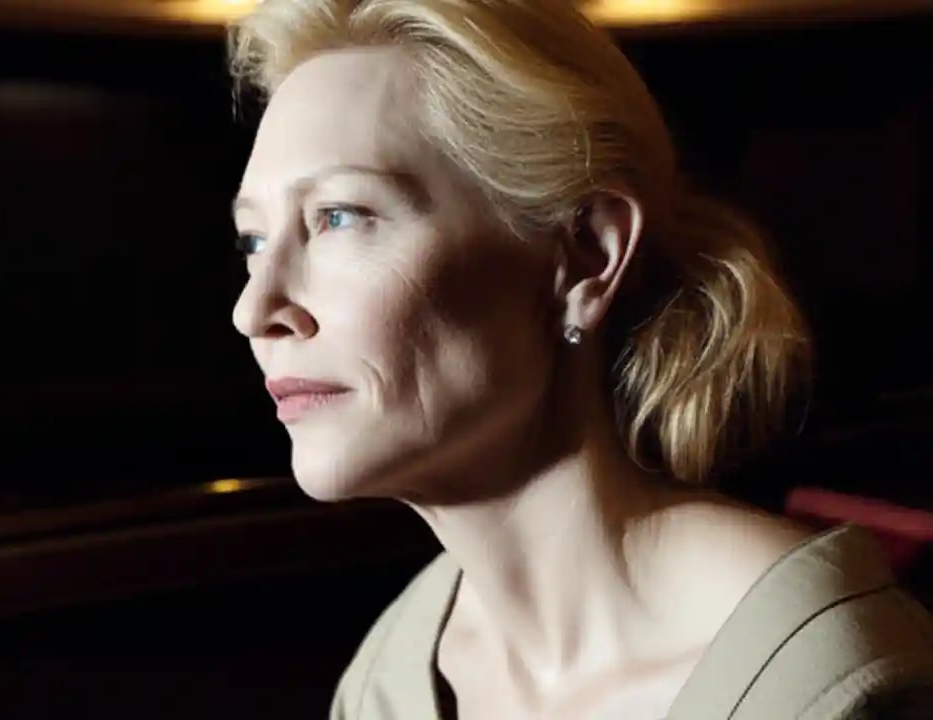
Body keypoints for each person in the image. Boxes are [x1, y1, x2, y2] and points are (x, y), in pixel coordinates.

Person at [225, 1, 933, 718]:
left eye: (340, 217)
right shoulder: (388, 679)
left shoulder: (833, 684)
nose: (254, 311)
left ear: (586, 254)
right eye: (253, 240)